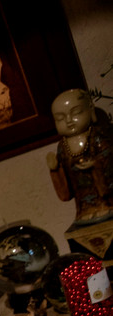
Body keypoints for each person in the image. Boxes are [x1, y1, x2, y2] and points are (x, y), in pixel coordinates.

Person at [46, 88, 113, 230]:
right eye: (60, 118)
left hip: (106, 201)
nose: (69, 121)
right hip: (82, 204)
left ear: (90, 110)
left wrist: (95, 165)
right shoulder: (62, 147)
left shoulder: (97, 138)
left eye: (76, 113)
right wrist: (55, 170)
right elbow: (66, 191)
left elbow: (109, 165)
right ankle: (85, 213)